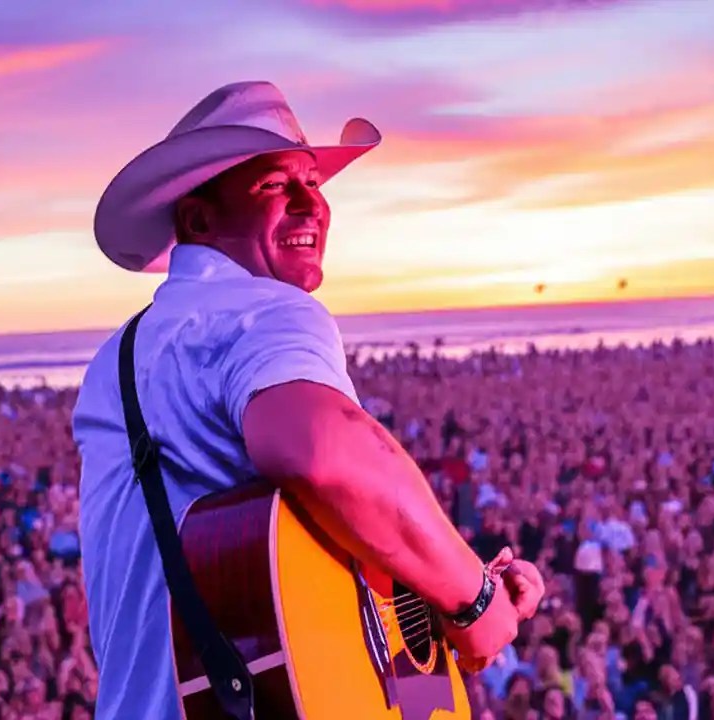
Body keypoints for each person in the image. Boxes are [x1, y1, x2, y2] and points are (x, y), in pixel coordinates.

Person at [73, 80, 545, 719]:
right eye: (274, 185)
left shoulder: (115, 363)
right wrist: (475, 602)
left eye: (315, 184)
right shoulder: (268, 312)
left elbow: (268, 579)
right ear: (198, 218)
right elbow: (321, 451)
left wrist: (437, 580)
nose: (310, 205)